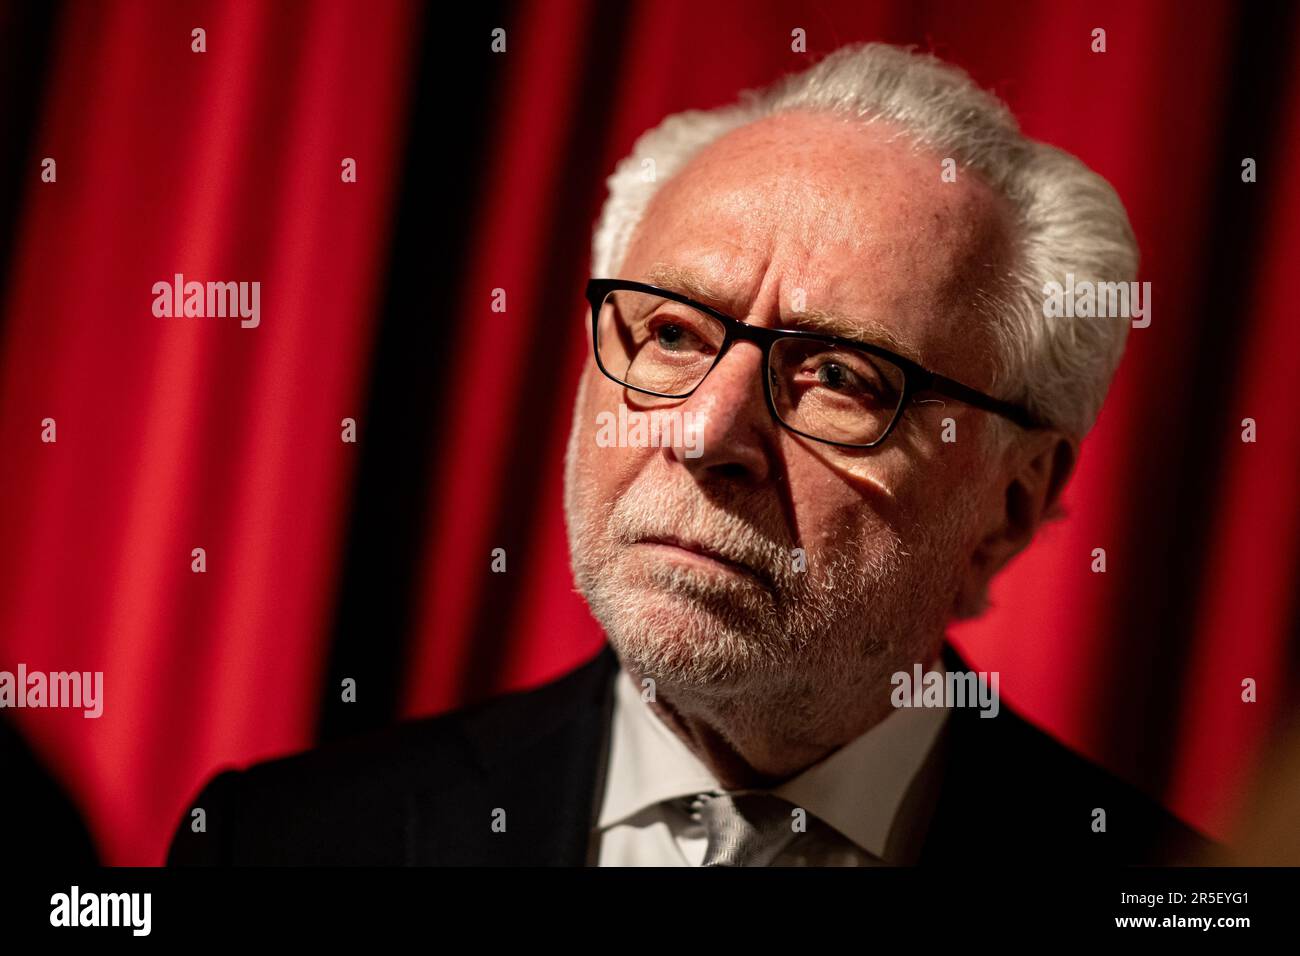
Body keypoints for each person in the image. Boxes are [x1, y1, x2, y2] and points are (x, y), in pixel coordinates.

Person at [169, 42, 1212, 866]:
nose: (705, 431)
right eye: (669, 333)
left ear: (1011, 501)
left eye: (842, 377)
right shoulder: (280, 842)